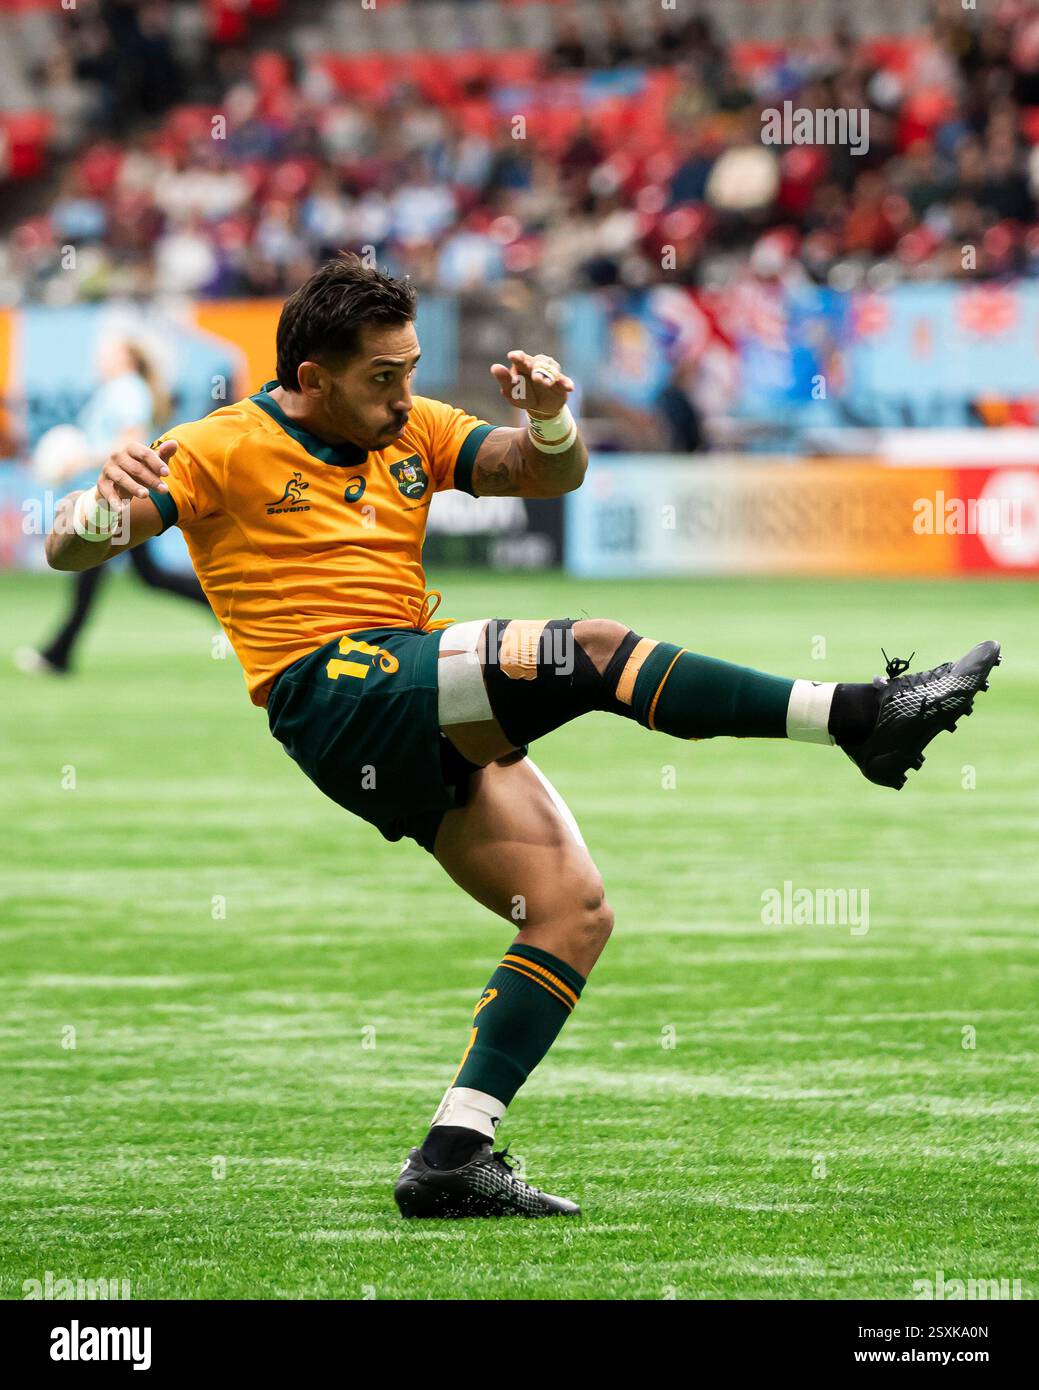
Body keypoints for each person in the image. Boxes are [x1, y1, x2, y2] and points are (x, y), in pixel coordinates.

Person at [43, 256, 1000, 1219]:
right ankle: (863, 719)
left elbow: (545, 474)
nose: (404, 395)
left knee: (572, 912)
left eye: (409, 368)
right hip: (333, 689)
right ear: (311, 379)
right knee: (590, 650)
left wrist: (548, 415)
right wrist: (94, 500)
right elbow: (73, 547)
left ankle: (453, 1155)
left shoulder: (412, 426)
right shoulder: (220, 446)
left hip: (407, 690)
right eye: (383, 377)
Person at [16, 337, 208, 676]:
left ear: (128, 358)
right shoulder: (115, 390)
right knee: (149, 575)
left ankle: (58, 653)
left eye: (108, 351)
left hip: (117, 499)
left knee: (93, 567)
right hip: (109, 498)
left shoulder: (128, 389)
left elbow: (128, 443)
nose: (99, 357)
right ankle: (223, 606)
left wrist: (77, 460)